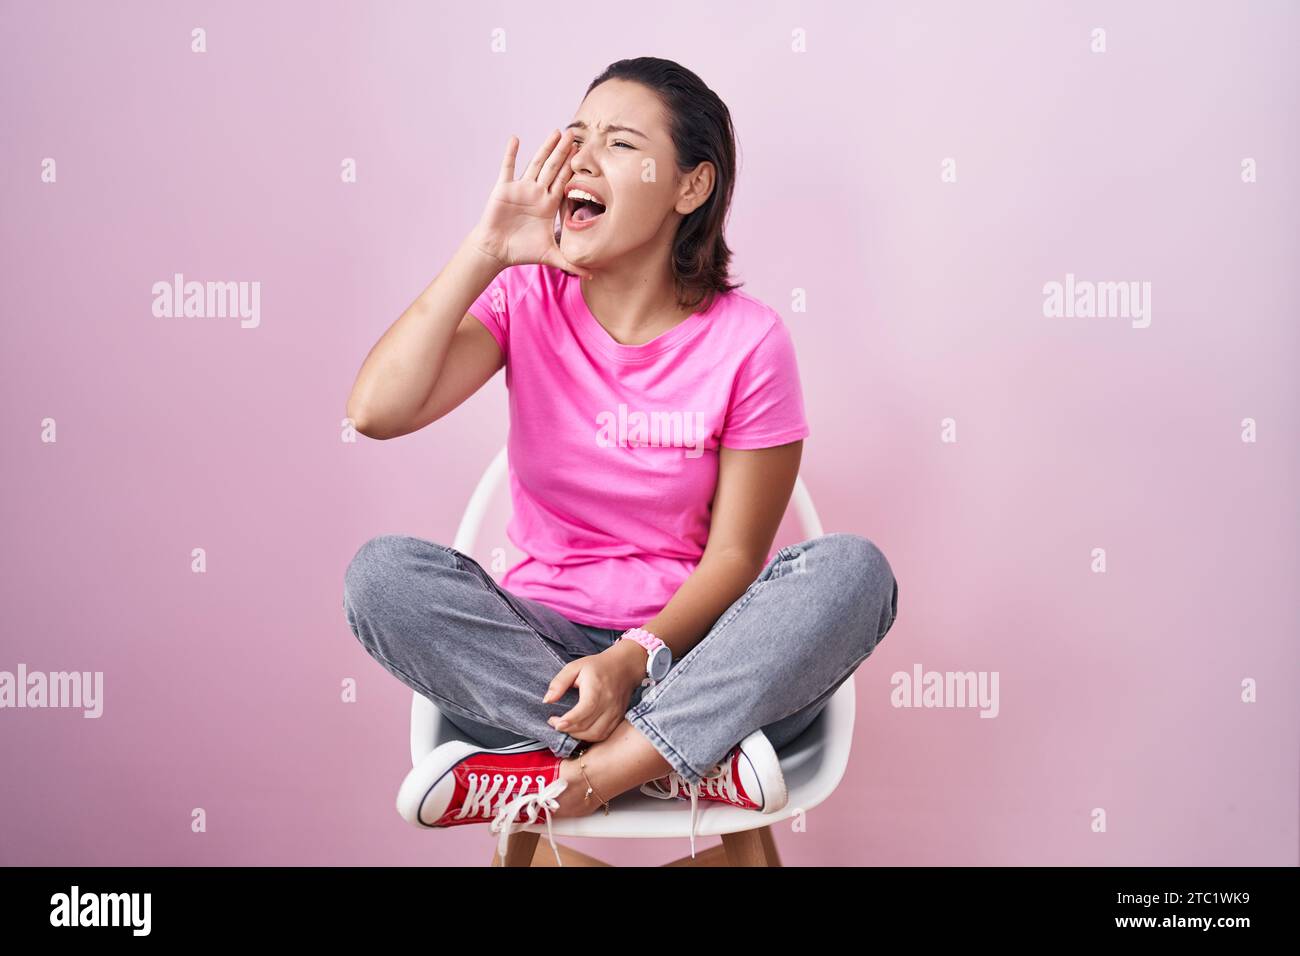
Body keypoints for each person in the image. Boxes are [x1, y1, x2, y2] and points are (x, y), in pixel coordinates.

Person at [342, 57, 898, 866]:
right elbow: (374, 411)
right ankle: (676, 760)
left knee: (853, 573)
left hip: (697, 653)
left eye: (619, 142)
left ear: (690, 187)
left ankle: (590, 769)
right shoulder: (528, 300)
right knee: (382, 575)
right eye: (577, 136)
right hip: (539, 664)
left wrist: (634, 658)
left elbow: (739, 557)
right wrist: (488, 249)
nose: (581, 158)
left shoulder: (750, 341)